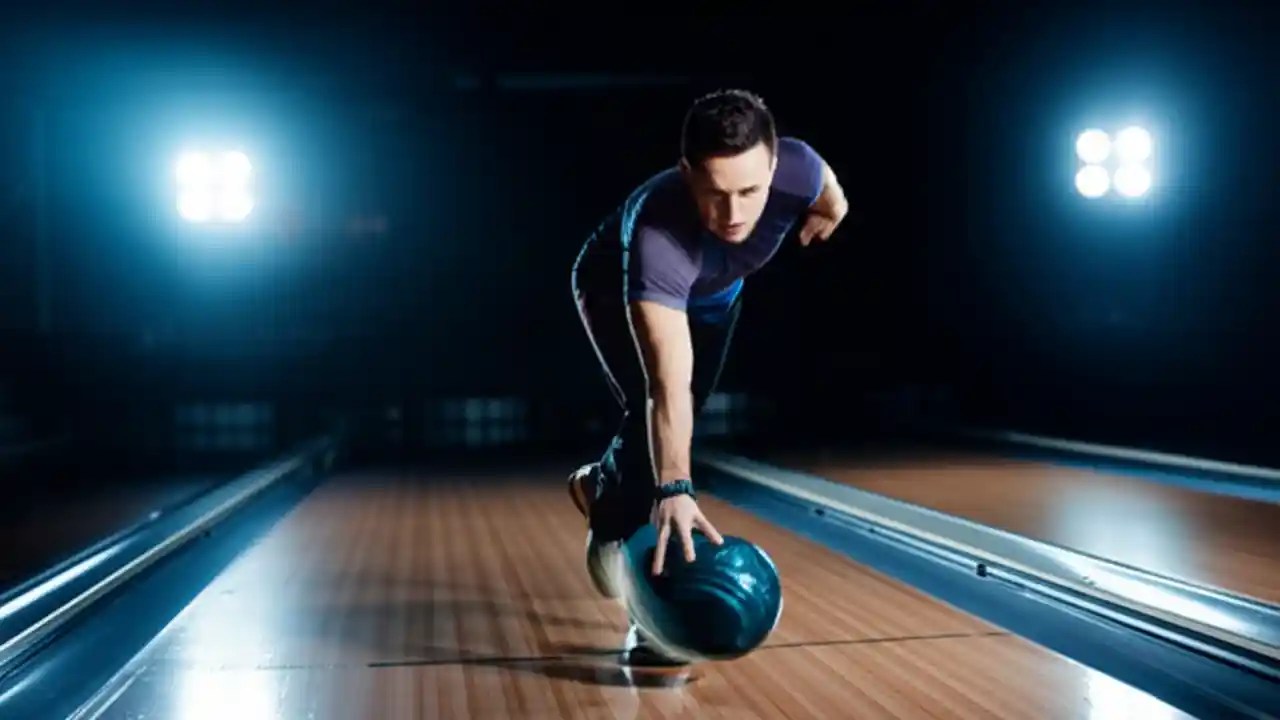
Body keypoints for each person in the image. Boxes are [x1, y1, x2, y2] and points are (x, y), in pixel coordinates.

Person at [568, 89, 848, 664]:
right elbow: (664, 388)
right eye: (714, 193)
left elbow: (832, 196)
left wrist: (826, 212)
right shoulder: (657, 240)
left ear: (774, 165)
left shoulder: (799, 170)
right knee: (662, 429)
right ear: (686, 172)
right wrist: (677, 489)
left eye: (751, 191)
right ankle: (651, 624)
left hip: (716, 299)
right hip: (616, 290)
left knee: (674, 424)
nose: (734, 214)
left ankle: (600, 484)